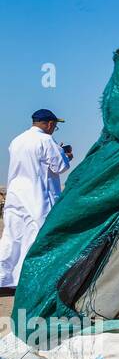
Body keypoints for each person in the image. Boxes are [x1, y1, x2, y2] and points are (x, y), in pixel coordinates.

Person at [0, 110, 72, 291]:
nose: (55, 129)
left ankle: (5, 280)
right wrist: (66, 155)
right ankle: (34, 282)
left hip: (16, 197)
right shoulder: (46, 140)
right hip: (38, 197)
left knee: (12, 238)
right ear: (49, 124)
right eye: (55, 125)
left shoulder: (16, 140)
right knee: (37, 239)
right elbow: (60, 166)